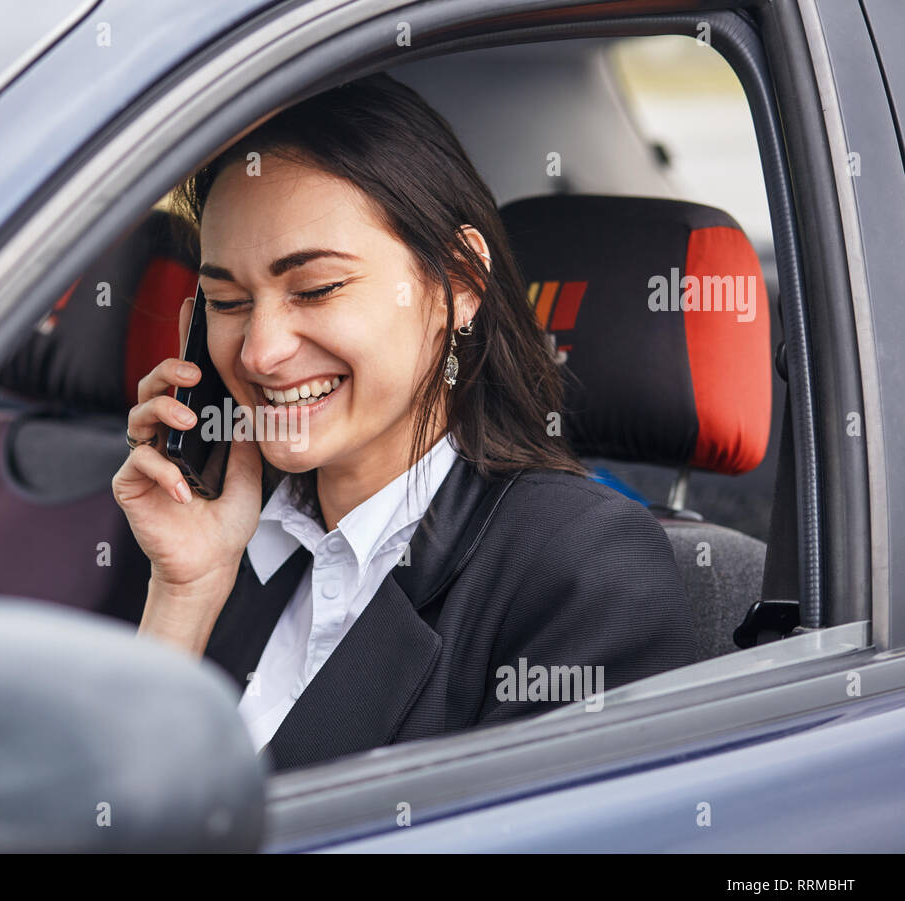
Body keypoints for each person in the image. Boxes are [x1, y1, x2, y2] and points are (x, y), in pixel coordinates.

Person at [112, 73, 696, 772]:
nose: (261, 351)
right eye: (227, 300)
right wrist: (184, 594)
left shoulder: (581, 573)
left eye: (316, 288)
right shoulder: (217, 545)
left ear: (458, 282)